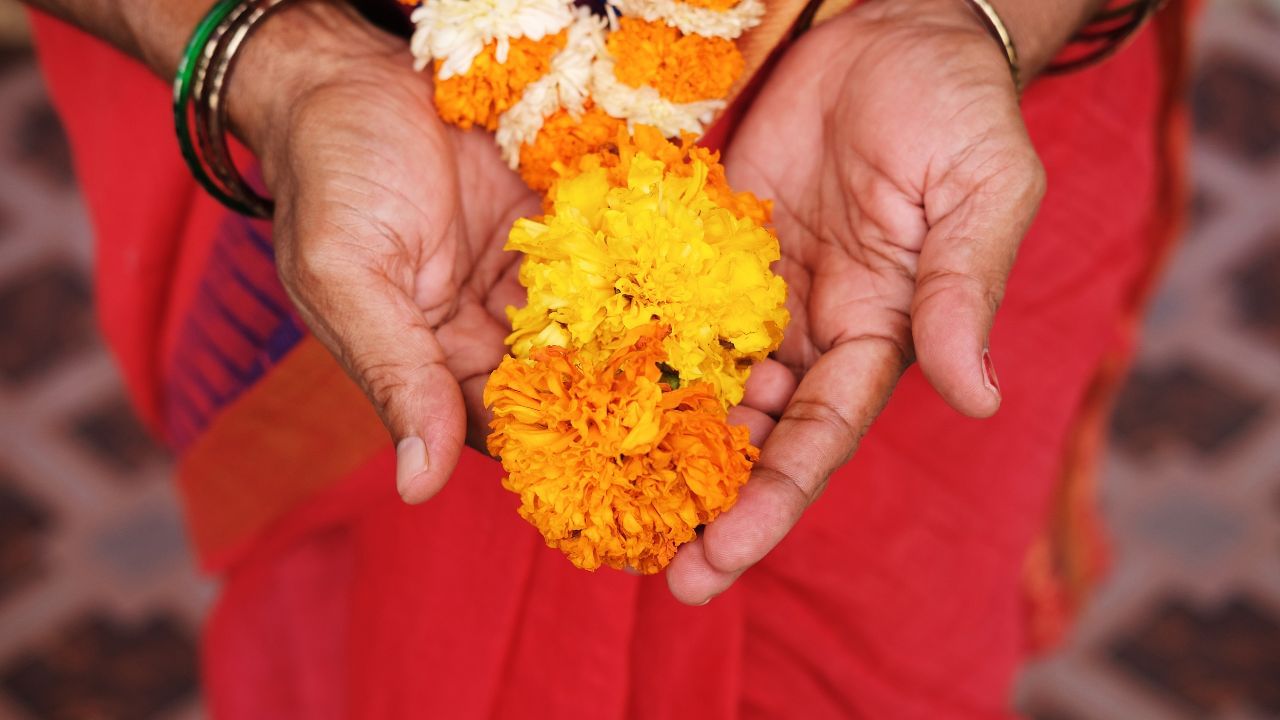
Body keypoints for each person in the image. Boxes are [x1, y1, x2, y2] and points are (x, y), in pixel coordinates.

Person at [21, 0, 1193, 716]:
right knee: (361, 640)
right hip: (387, 133)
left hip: (877, 184)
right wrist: (280, 61)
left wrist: (977, 19)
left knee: (880, 629)